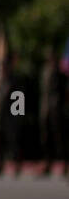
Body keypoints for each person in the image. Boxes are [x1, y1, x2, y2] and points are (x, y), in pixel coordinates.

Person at [0, 52, 22, 176]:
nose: (2, 69)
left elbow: (19, 97)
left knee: (12, 140)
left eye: (3, 67)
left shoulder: (13, 80)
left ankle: (16, 163)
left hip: (10, 115)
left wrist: (18, 115)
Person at [38, 49, 67, 177]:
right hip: (46, 107)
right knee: (46, 136)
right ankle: (48, 162)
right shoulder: (44, 71)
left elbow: (63, 91)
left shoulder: (60, 73)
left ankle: (64, 163)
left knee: (59, 136)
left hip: (57, 107)